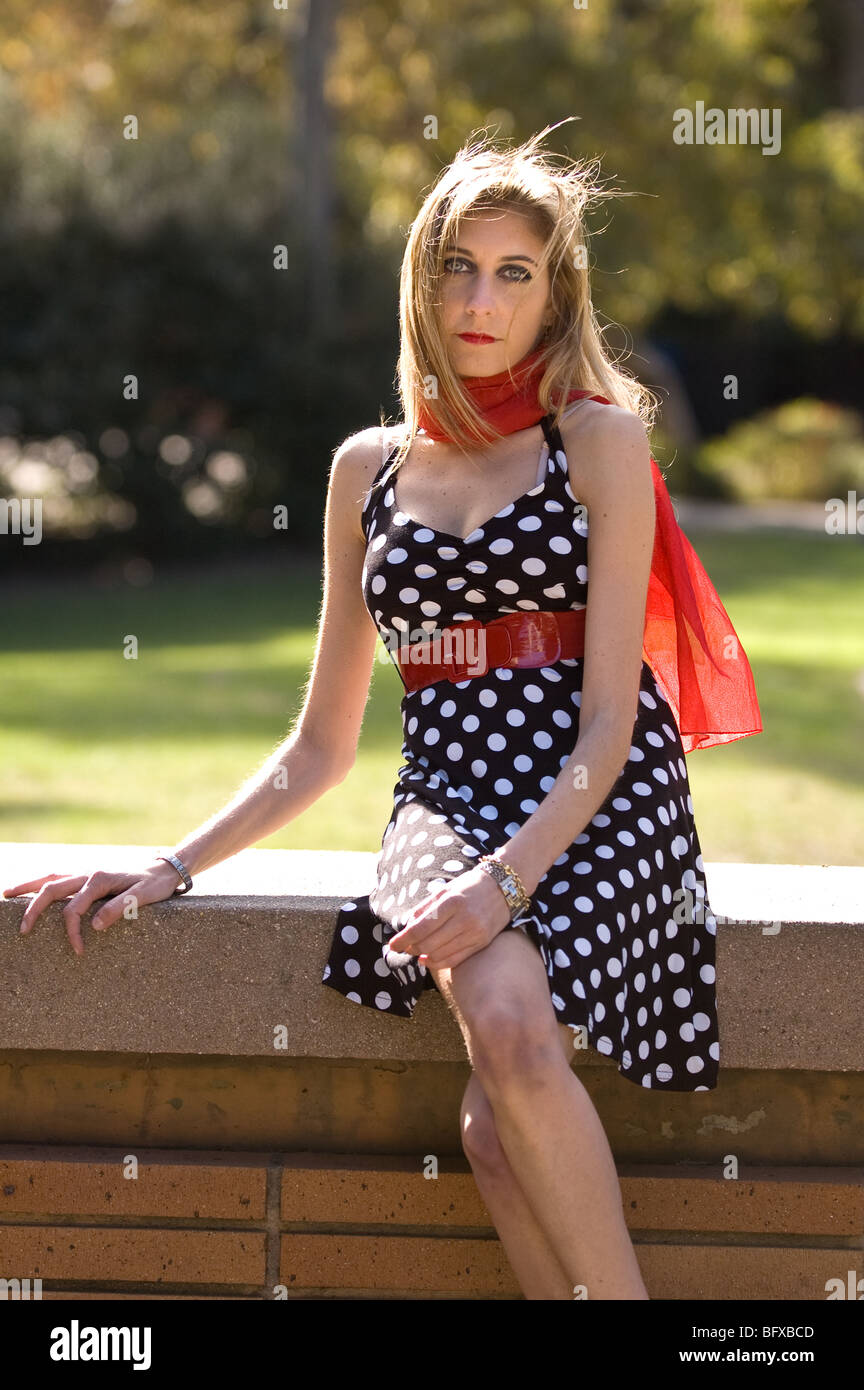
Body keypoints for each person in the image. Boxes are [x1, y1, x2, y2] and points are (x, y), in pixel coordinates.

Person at [4, 122, 761, 1302]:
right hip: (447, 795)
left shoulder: (599, 443)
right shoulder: (369, 468)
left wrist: (506, 882)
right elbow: (321, 744)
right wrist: (167, 863)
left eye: (516, 273)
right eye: (459, 266)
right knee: (493, 1125)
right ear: (423, 278)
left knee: (505, 1049)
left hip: (595, 794)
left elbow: (614, 719)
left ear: (556, 297)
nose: (481, 298)